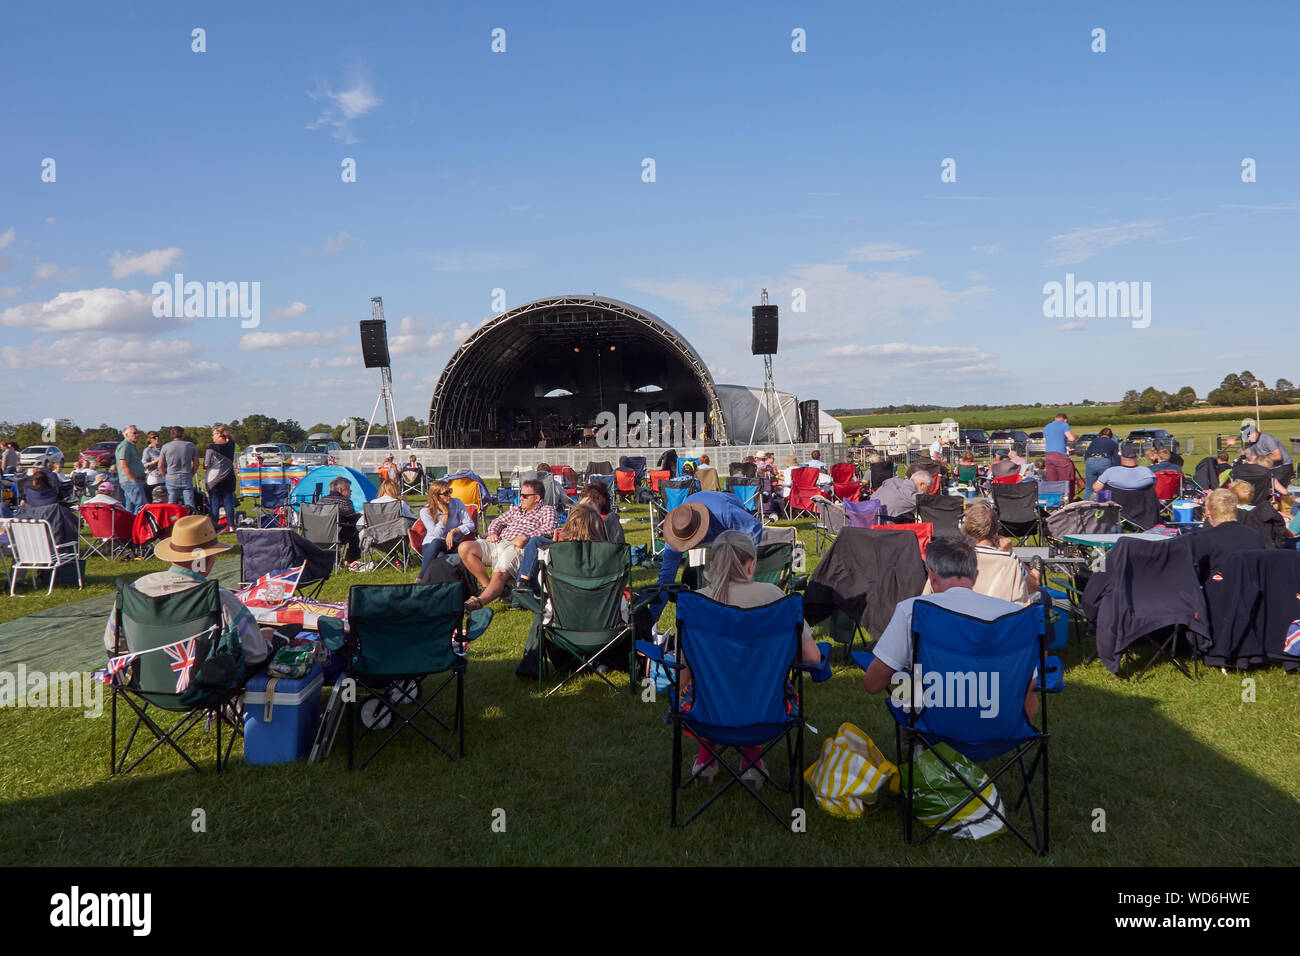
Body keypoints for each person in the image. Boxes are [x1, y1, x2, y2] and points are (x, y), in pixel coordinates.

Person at [683, 530, 822, 790]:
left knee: (699, 688)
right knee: (758, 683)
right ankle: (752, 763)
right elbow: (813, 657)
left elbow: (682, 675)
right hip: (766, 712)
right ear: (751, 564)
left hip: (709, 714)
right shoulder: (774, 597)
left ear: (712, 566)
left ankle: (706, 761)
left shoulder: (696, 603)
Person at [861, 537, 1039, 719]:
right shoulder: (1015, 615)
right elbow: (1030, 689)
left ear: (932, 576)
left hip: (933, 722)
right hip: (999, 722)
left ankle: (920, 745)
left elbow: (873, 683)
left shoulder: (913, 611)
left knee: (910, 687)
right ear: (975, 576)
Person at [102, 515, 270, 672]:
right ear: (209, 558)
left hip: (147, 681)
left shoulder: (134, 589)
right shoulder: (218, 598)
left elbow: (113, 645)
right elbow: (255, 655)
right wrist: (269, 639)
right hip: (204, 685)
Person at [650, 491, 764, 620]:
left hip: (730, 530)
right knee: (695, 579)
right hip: (710, 536)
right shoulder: (677, 530)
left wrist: (746, 569)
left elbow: (755, 528)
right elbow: (666, 577)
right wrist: (652, 619)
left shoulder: (723, 512)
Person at [460, 478, 557, 610]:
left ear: (537, 498)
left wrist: (526, 536)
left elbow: (549, 530)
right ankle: (488, 588)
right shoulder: (516, 510)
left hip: (518, 547)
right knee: (465, 548)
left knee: (500, 572)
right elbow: (497, 521)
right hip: (499, 542)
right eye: (520, 495)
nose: (520, 498)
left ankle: (479, 601)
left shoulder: (547, 510)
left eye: (524, 496)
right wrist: (493, 532)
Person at [1188, 489, 1266, 580]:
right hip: (1251, 589)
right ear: (1235, 510)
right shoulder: (1256, 536)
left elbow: (1196, 575)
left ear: (1208, 510)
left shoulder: (1205, 539)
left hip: (1216, 590)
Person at [418, 479, 475, 574]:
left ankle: (420, 579)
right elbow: (437, 535)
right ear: (436, 497)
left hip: (452, 544)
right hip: (430, 545)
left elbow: (470, 524)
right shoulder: (425, 511)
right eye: (445, 493)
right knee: (439, 554)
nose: (450, 495)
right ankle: (428, 580)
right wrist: (445, 513)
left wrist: (453, 531)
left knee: (439, 555)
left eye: (450, 491)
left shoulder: (456, 503)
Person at [203, 426, 238, 532]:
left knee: (215, 503)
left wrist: (205, 467)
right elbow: (231, 440)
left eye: (213, 434)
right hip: (229, 478)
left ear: (219, 435)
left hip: (215, 480)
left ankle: (215, 526)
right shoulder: (231, 445)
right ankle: (231, 526)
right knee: (228, 503)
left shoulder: (211, 448)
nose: (212, 436)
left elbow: (206, 464)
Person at [320, 476, 362, 563]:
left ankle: (335, 558)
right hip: (337, 536)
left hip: (318, 535)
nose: (351, 491)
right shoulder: (345, 502)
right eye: (348, 489)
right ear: (340, 490)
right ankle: (351, 559)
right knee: (356, 528)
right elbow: (353, 520)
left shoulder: (321, 500)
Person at [157, 426, 198, 509]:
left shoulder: (165, 447)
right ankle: (190, 519)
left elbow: (160, 465)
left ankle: (170, 520)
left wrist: (164, 476)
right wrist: (192, 473)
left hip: (171, 477)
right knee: (189, 503)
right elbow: (196, 463)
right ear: (182, 434)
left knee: (170, 503)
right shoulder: (190, 445)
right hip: (186, 476)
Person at [579, 480, 624, 545]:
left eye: (590, 503)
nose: (587, 507)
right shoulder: (580, 519)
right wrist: (579, 512)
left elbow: (618, 546)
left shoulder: (610, 519)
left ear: (602, 501)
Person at [1042, 413, 1077, 494]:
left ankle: (1053, 500)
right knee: (1065, 479)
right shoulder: (1064, 425)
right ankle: (1065, 499)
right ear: (1065, 420)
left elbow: (1045, 443)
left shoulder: (1047, 427)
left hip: (1048, 455)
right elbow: (1071, 438)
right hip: (1060, 455)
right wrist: (1076, 436)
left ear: (1055, 418)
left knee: (1052, 480)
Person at [116, 425, 148, 513]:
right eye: (134, 433)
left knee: (130, 506)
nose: (137, 435)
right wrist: (134, 481)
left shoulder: (131, 446)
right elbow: (123, 465)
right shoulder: (125, 446)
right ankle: (139, 525)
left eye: (137, 433)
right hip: (130, 481)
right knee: (141, 505)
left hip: (131, 480)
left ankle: (129, 525)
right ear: (126, 435)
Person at [1082, 428, 1119, 500]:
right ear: (1110, 436)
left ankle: (1085, 505)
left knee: (1089, 487)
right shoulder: (1113, 443)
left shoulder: (1094, 441)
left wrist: (1088, 462)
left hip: (1091, 460)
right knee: (1104, 486)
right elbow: (1116, 459)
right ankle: (1103, 506)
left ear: (1100, 434)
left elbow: (1087, 454)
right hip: (1104, 461)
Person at [141, 430, 167, 503]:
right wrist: (155, 461)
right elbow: (144, 465)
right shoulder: (147, 450)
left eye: (157, 436)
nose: (157, 438)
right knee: (154, 500)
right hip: (154, 477)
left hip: (164, 477)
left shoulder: (164, 449)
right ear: (149, 439)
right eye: (154, 437)